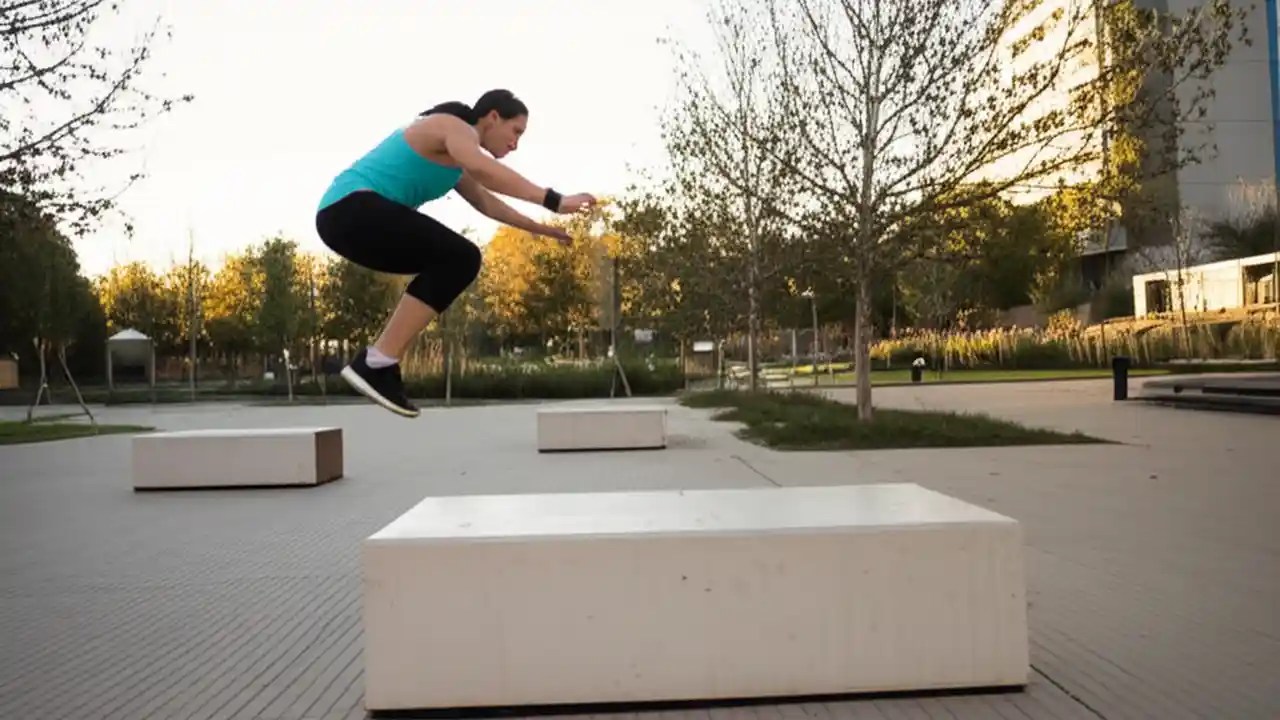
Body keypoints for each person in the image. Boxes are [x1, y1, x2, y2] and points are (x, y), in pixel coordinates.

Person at [314, 89, 596, 418]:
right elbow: (485, 169)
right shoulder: (453, 127)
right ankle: (376, 362)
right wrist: (555, 200)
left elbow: (489, 203)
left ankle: (379, 362)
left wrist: (542, 228)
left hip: (346, 226)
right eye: (515, 132)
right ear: (492, 117)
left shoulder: (456, 167)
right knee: (460, 256)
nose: (515, 144)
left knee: (455, 262)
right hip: (350, 209)